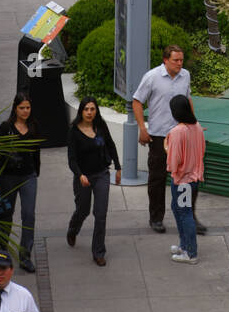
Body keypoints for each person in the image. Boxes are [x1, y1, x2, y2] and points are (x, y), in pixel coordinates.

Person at [132, 45, 205, 235]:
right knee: (157, 179)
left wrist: (193, 124)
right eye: (176, 60)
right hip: (159, 136)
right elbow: (137, 101)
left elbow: (188, 100)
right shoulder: (152, 77)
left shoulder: (185, 75)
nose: (180, 64)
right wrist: (142, 128)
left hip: (182, 136)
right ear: (165, 60)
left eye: (181, 60)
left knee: (188, 177)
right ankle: (156, 218)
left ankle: (189, 217)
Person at [66, 97, 122, 266]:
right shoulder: (74, 131)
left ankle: (98, 251)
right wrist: (80, 174)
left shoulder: (101, 127)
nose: (89, 112)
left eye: (92, 109)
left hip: (102, 175)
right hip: (83, 177)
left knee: (100, 213)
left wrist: (118, 167)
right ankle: (73, 229)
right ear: (81, 111)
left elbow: (111, 146)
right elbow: (72, 159)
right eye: (86, 109)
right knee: (83, 210)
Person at [0, 94, 42, 273]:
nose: (25, 111)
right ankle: (2, 249)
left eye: (28, 107)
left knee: (29, 215)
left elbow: (36, 151)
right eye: (22, 108)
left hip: (28, 176)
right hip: (8, 177)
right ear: (15, 108)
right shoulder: (5, 127)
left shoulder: (34, 126)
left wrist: (36, 172)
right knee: (6, 214)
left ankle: (25, 255)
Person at [165, 95, 205, 264]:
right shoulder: (197, 127)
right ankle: (184, 244)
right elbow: (202, 150)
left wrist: (166, 148)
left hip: (182, 181)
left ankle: (190, 252)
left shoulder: (176, 132)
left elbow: (173, 162)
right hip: (194, 179)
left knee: (185, 214)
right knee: (178, 209)